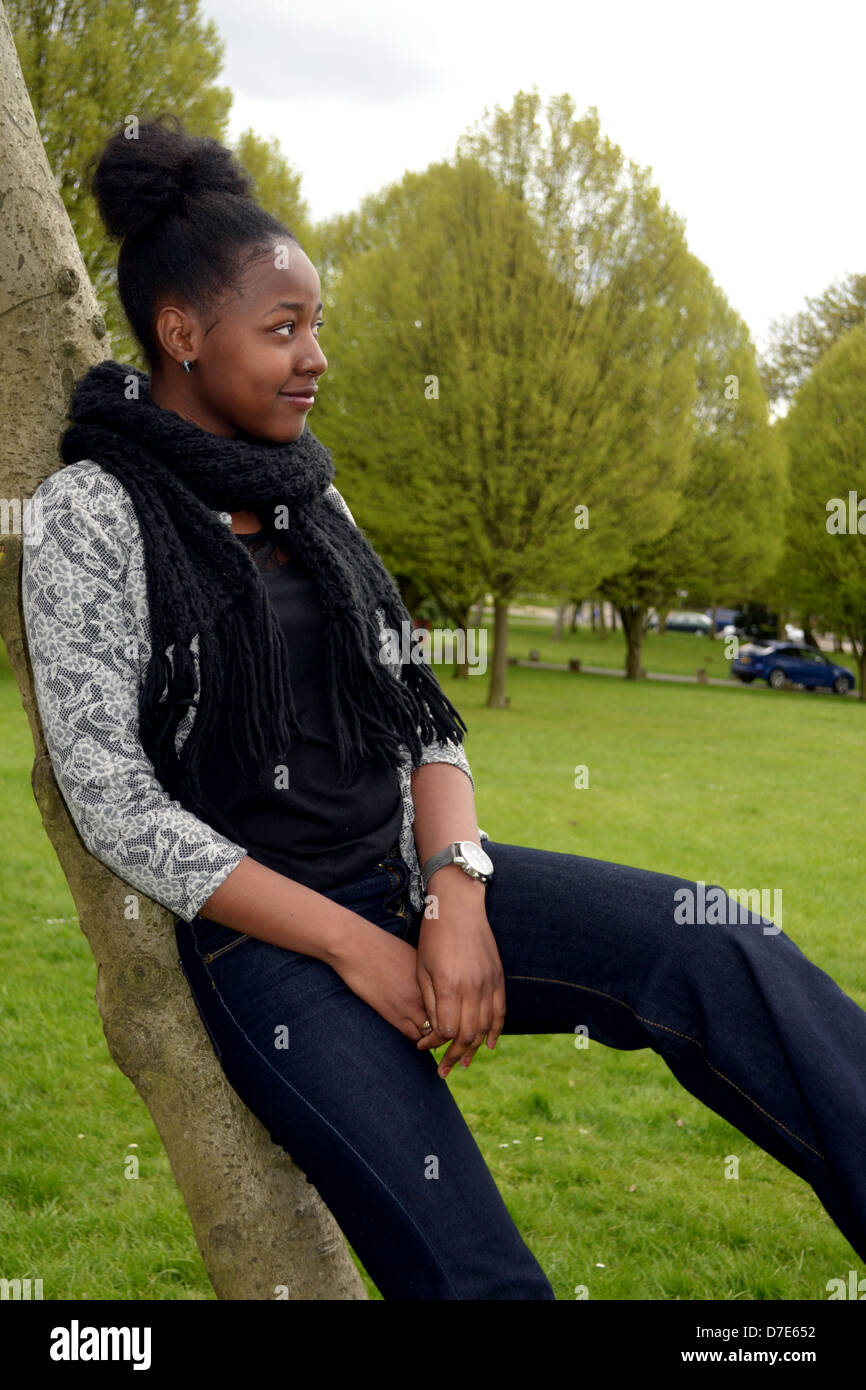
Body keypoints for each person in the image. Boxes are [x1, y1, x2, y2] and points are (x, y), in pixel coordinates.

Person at [21, 115, 866, 1300]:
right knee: (481, 1282)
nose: (316, 355)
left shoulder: (314, 495)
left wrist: (453, 893)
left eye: (318, 324)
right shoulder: (90, 513)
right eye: (284, 329)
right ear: (181, 334)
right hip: (269, 948)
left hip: (408, 876)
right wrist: (359, 946)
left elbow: (418, 706)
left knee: (719, 940)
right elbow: (113, 798)